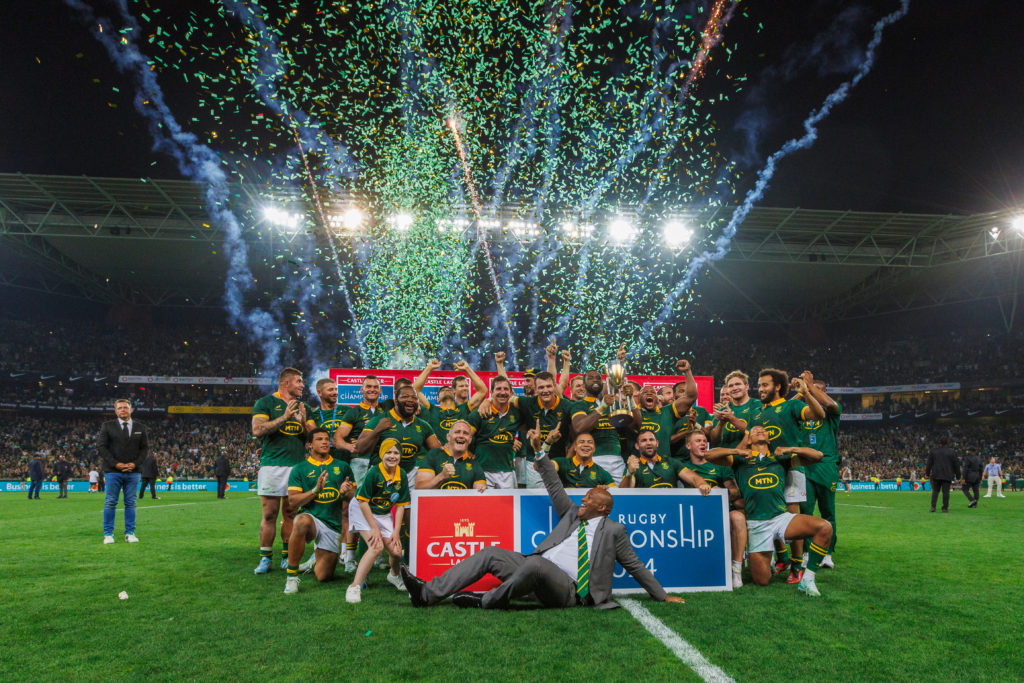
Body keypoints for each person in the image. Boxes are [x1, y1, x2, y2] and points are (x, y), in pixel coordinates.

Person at [400, 426, 686, 610]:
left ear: (603, 509)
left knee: (536, 564)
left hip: (568, 590)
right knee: (490, 554)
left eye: (589, 499)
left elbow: (635, 565)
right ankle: (426, 593)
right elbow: (553, 483)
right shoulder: (572, 514)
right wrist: (539, 451)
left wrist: (662, 595)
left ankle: (485, 601)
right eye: (585, 497)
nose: (583, 500)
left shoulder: (613, 530)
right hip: (533, 570)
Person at [705, 425, 833, 597]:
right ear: (748, 440)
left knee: (825, 527)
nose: (760, 430)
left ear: (769, 439)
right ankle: (769, 558)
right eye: (754, 430)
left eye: (763, 430)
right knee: (762, 581)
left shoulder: (781, 458)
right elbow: (709, 455)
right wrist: (737, 451)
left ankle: (807, 579)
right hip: (756, 523)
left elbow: (818, 456)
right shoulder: (739, 460)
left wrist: (791, 449)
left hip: (781, 518)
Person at [751, 368, 825, 583]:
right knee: (770, 514)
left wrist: (806, 392)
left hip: (792, 467)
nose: (760, 389)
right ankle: (783, 558)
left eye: (765, 385)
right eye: (759, 385)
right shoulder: (758, 412)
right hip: (768, 470)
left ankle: (796, 565)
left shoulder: (792, 406)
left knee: (793, 518)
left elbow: (819, 415)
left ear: (777, 387)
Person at [251, 367, 315, 573]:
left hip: (296, 467)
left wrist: (303, 423)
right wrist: (285, 417)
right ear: (286, 383)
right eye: (299, 381)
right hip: (272, 465)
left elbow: (314, 438)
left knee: (290, 514)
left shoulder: (305, 407)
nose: (302, 385)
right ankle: (265, 558)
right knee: (269, 514)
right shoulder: (266, 403)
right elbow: (257, 430)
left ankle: (287, 556)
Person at [283, 429, 356, 594]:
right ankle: (291, 577)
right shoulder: (300, 469)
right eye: (319, 439)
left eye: (326, 439)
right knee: (301, 522)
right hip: (312, 519)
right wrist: (315, 490)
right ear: (309, 444)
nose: (324, 442)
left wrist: (346, 492)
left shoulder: (342, 466)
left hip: (332, 525)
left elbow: (353, 496)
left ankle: (315, 561)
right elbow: (293, 502)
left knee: (324, 576)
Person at [346, 439, 410, 603]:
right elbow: (362, 502)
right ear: (382, 454)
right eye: (388, 452)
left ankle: (394, 575)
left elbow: (401, 506)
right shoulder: (374, 472)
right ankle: (354, 586)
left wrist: (396, 532)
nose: (392, 456)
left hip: (383, 512)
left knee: (396, 551)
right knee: (376, 546)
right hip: (362, 508)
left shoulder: (401, 474)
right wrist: (374, 529)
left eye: (396, 453)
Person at [797, 375, 841, 570]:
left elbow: (830, 405)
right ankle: (807, 552)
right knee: (805, 512)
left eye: (817, 390)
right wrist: (802, 392)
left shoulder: (831, 412)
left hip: (826, 465)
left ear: (824, 392)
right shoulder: (801, 412)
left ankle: (827, 553)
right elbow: (783, 409)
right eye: (809, 389)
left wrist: (809, 386)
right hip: (804, 466)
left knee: (828, 511)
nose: (811, 392)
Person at [97, 399, 149, 544]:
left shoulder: (140, 427)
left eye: (125, 407)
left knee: (131, 503)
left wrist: (135, 464)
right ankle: (108, 534)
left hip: (133, 471)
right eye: (119, 408)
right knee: (110, 502)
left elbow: (145, 448)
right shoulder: (107, 426)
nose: (123, 410)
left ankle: (130, 533)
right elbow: (102, 447)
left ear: (131, 409)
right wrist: (116, 464)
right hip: (113, 471)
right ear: (115, 411)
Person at [466, 372, 526, 489]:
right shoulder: (480, 412)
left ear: (511, 393)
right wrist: (467, 453)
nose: (502, 392)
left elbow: (529, 426)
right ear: (491, 393)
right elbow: (465, 436)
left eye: (506, 389)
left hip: (507, 471)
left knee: (508, 501)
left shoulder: (517, 414)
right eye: (498, 389)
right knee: (484, 501)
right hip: (483, 470)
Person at [516, 371, 574, 489]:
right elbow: (507, 398)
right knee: (536, 497)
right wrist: (487, 401)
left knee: (558, 497)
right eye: (541, 387)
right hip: (533, 462)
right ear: (536, 389)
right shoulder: (527, 402)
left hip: (557, 461)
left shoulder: (567, 405)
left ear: (554, 386)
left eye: (548, 386)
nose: (545, 390)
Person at [412, 359, 487, 444]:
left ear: (454, 396)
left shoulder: (464, 408)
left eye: (449, 389)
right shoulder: (432, 410)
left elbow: (482, 391)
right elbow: (414, 390)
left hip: (461, 450)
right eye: (442, 390)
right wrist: (429, 368)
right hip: (439, 451)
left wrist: (467, 369)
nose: (446, 390)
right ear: (438, 399)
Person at [335, 375, 390, 488]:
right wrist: (350, 447)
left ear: (380, 390)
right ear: (362, 389)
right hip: (361, 460)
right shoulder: (354, 412)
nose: (372, 389)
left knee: (382, 494)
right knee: (358, 494)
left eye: (375, 387)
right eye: (368, 386)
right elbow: (337, 439)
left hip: (383, 459)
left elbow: (407, 396)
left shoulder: (387, 408)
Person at [416, 420, 487, 490]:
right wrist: (441, 476)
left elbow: (480, 491)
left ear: (470, 440)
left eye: (465, 433)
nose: (461, 436)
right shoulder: (434, 455)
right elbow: (419, 488)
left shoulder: (474, 464)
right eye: (457, 432)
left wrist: (482, 489)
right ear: (448, 437)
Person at [544, 431, 617, 489]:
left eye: (590, 442)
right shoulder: (561, 463)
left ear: (594, 448)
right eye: (581, 442)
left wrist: (605, 491)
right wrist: (547, 443)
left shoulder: (602, 473)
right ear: (575, 447)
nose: (586, 445)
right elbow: (541, 466)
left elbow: (616, 495)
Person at [925, 436, 960, 512]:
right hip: (947, 474)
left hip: (936, 474)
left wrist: (927, 473)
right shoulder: (951, 451)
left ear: (939, 442)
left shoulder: (933, 451)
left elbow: (929, 463)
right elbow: (956, 464)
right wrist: (958, 476)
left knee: (935, 491)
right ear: (947, 442)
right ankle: (945, 508)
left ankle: (933, 507)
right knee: (946, 492)